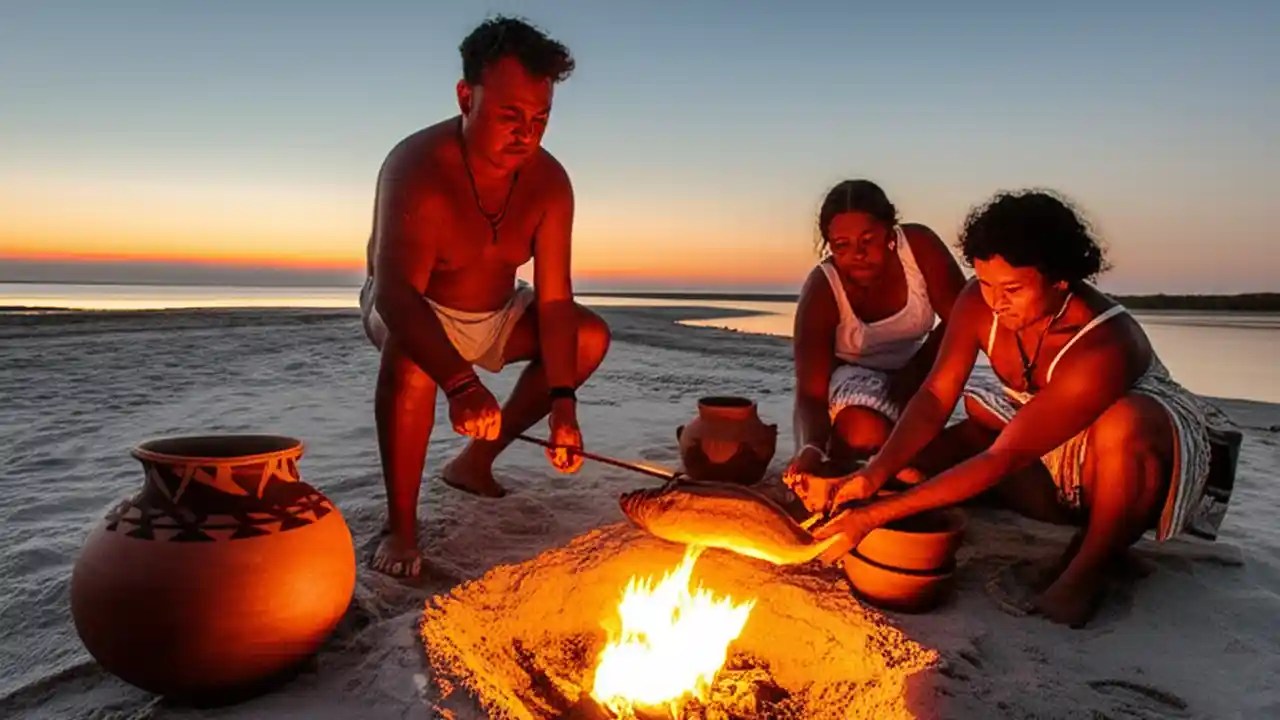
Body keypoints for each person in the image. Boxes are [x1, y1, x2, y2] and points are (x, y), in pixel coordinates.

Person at [801, 189, 1239, 627]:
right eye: (986, 283)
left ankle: (1088, 569)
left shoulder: (1106, 342)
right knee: (912, 468)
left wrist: (876, 514)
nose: (996, 302)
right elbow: (936, 397)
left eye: (1012, 288)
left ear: (1060, 278)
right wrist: (873, 473)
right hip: (1046, 444)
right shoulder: (978, 301)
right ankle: (1089, 530)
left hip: (1136, 451)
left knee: (1125, 424)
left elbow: (1005, 455)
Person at [360, 16, 611, 578]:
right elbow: (395, 295)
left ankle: (475, 463)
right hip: (413, 308)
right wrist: (462, 383)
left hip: (500, 311)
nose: (526, 133)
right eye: (509, 115)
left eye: (540, 118)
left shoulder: (550, 182)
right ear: (465, 96)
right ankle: (400, 527)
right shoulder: (415, 166)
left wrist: (565, 409)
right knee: (411, 360)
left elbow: (553, 302)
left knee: (590, 335)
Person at [783, 179, 966, 496]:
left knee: (981, 419)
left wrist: (917, 370)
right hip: (852, 382)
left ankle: (901, 466)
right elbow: (810, 393)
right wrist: (812, 447)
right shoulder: (823, 289)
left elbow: (964, 318)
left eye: (868, 240)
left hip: (922, 372)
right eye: (842, 245)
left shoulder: (919, 247)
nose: (857, 254)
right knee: (863, 433)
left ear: (889, 232)